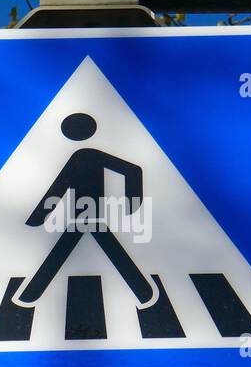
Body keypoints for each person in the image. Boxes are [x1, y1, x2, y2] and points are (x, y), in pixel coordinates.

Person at [14, 112, 156, 307]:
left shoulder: (84, 155)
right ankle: (144, 292)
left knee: (65, 251)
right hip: (87, 215)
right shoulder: (86, 155)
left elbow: (59, 187)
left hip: (87, 214)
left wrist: (39, 217)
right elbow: (132, 171)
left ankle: (31, 294)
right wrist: (132, 202)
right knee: (97, 250)